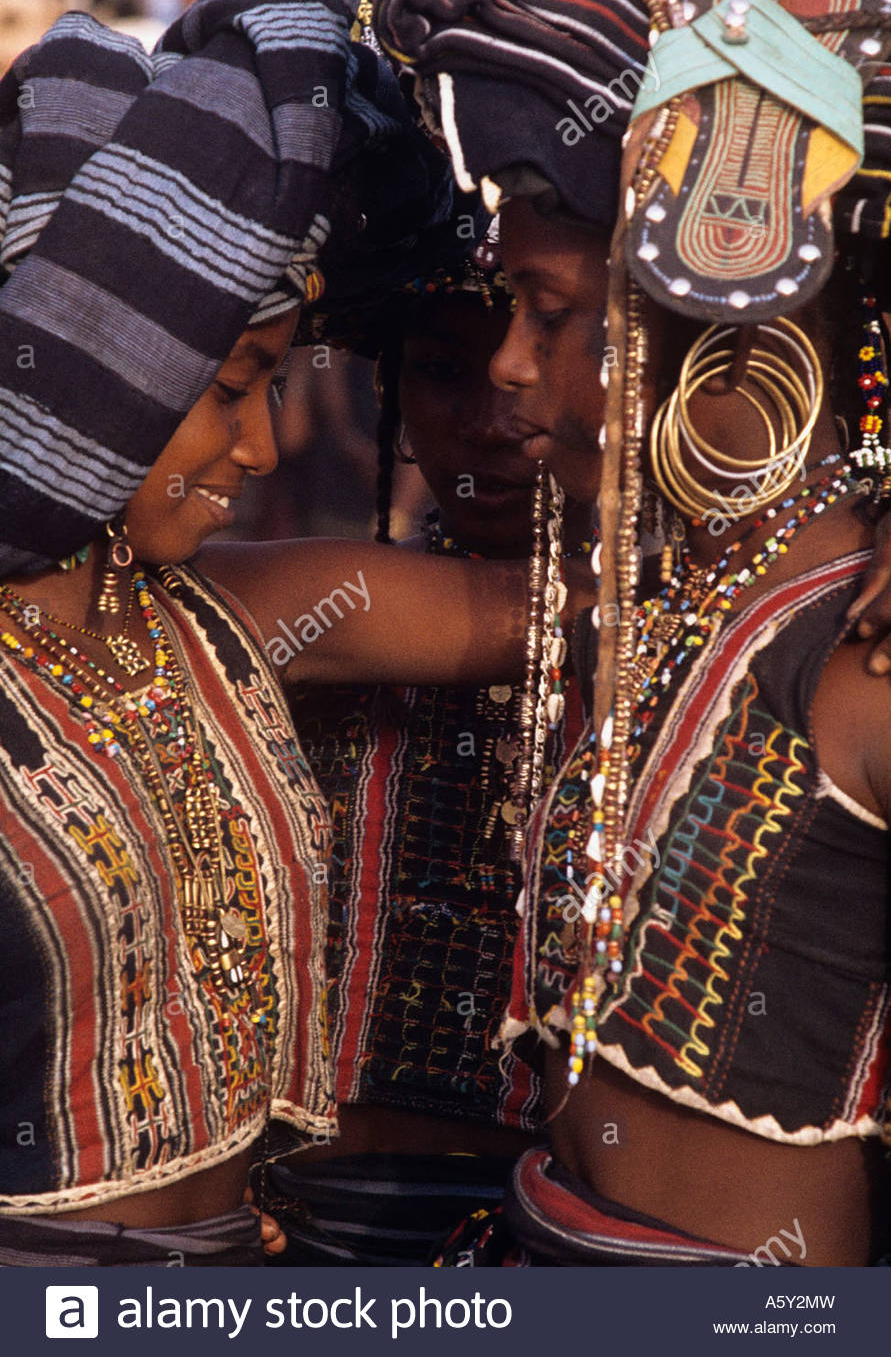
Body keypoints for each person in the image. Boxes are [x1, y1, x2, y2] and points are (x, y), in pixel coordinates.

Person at [0, 0, 596, 1264]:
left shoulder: (220, 620)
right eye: (231, 388)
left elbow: (573, 607)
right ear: (102, 373)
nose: (263, 449)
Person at [373, 0, 891, 1266]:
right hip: (537, 1238)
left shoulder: (859, 642)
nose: (503, 365)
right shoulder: (645, 592)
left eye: (550, 318)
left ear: (716, 327)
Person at [269, 243, 595, 1264]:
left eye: (539, 349)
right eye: (441, 369)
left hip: (562, 1244)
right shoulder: (313, 608)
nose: (493, 417)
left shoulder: (717, 646)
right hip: (288, 1236)